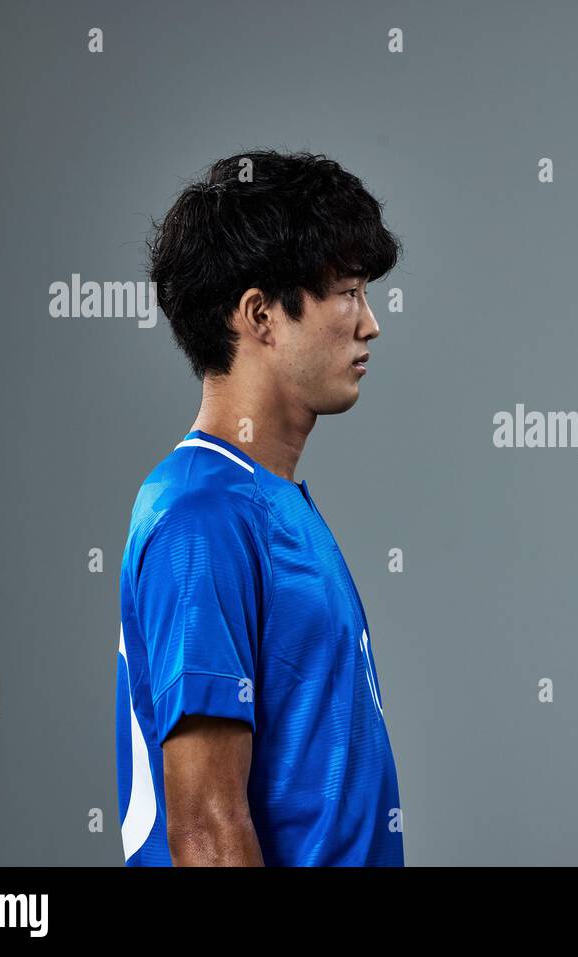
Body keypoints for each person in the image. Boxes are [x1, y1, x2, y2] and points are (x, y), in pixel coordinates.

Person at [114, 150, 404, 865]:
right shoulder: (200, 517)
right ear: (260, 315)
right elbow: (208, 832)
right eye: (349, 291)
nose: (370, 325)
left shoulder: (267, 502)